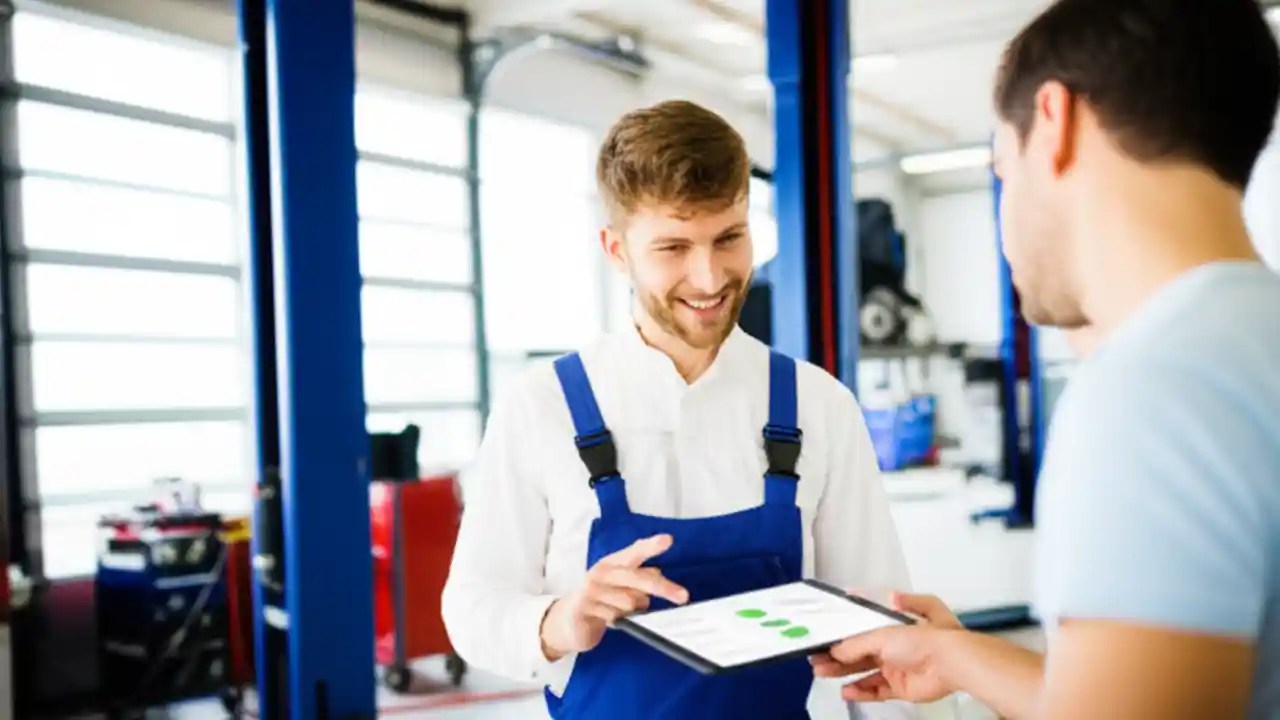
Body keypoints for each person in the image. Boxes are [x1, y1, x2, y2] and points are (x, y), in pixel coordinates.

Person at [813, 1, 1280, 718]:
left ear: (1055, 122)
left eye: (1004, 165)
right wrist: (957, 654)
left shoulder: (1152, 394)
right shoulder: (1249, 341)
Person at [442, 100, 916, 719]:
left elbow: (878, 624)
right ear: (616, 248)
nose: (709, 276)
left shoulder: (817, 406)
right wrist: (561, 620)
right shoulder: (540, 408)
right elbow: (473, 609)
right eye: (673, 247)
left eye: (730, 238)